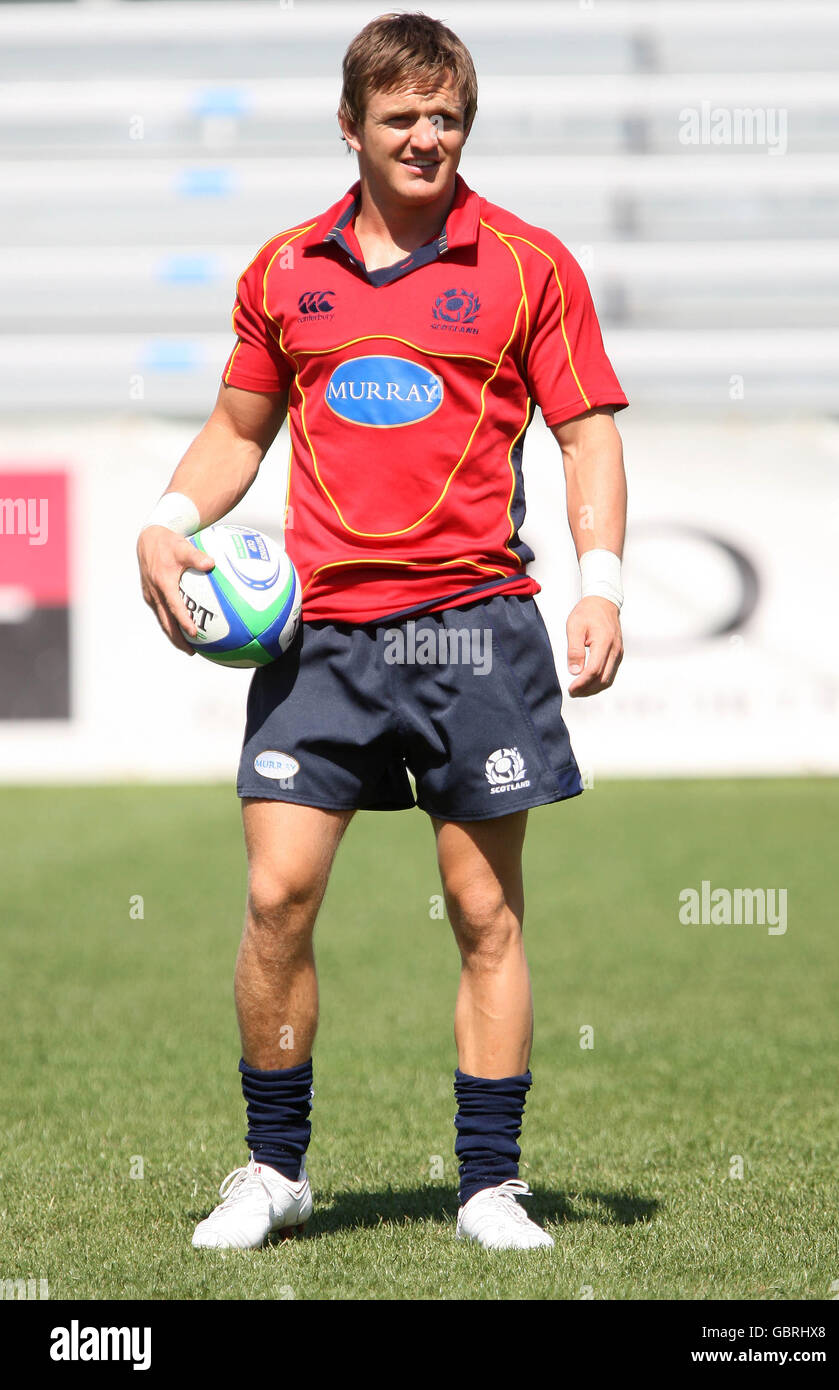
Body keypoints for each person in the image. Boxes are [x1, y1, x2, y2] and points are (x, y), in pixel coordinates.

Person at [137, 11, 628, 1252]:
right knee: (276, 894)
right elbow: (241, 429)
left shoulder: (529, 264)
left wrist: (601, 581)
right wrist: (166, 518)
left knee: (484, 912)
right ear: (349, 124)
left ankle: (489, 1184)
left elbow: (587, 432)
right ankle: (274, 1168)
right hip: (324, 643)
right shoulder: (283, 270)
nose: (427, 137)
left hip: (476, 629)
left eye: (447, 117)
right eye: (402, 116)